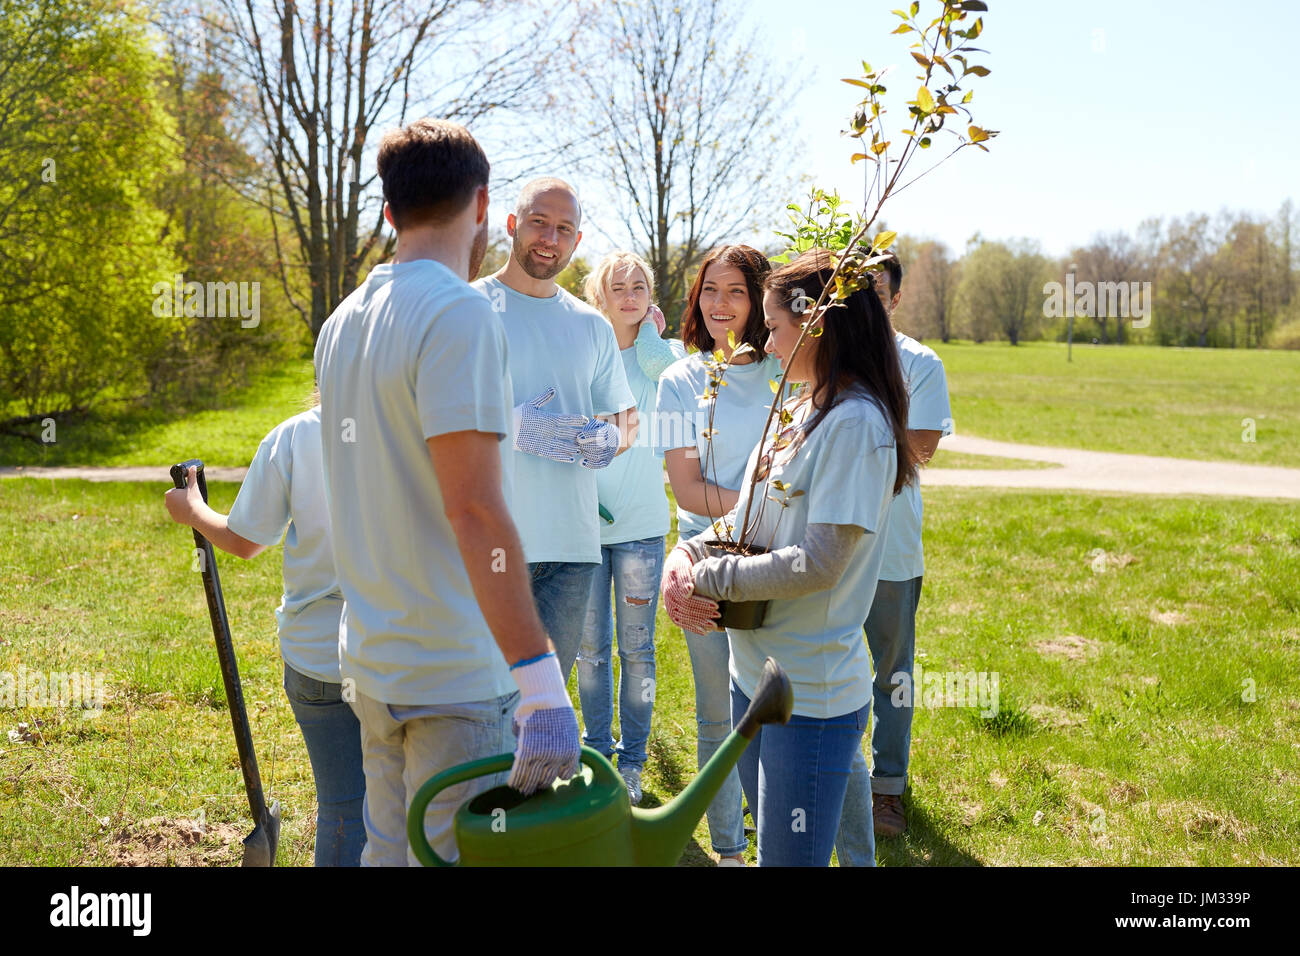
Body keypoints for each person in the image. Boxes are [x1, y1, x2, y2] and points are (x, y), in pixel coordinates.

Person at [313, 119, 580, 866]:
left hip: (373, 660)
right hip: (453, 675)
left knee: (387, 855)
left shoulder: (341, 323)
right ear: (486, 207)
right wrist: (541, 680)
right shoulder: (460, 312)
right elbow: (474, 508)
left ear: (390, 212)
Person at [660, 248, 917, 867]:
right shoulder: (802, 408)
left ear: (816, 324)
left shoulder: (856, 426)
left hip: (809, 694)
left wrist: (707, 577)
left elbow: (819, 563)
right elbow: (748, 516)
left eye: (774, 327)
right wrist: (685, 552)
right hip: (755, 679)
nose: (766, 342)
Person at [163, 390, 364, 866]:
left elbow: (245, 540)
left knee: (344, 806)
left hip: (319, 658)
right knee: (411, 799)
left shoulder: (296, 435)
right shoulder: (424, 423)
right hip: (407, 651)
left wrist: (192, 510)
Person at [473, 178, 638, 682]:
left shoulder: (590, 325)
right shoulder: (468, 309)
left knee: (544, 710)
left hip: (571, 551)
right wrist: (503, 422)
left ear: (577, 241)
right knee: (482, 707)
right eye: (538, 222)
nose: (550, 238)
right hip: (487, 546)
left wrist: (610, 440)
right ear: (511, 225)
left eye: (564, 228)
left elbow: (625, 418)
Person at [654, 244, 782, 864]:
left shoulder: (789, 371)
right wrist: (764, 505)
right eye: (710, 290)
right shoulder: (676, 381)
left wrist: (769, 520)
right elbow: (686, 489)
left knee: (782, 706)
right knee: (717, 716)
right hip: (701, 562)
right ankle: (731, 849)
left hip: (777, 562)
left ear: (760, 298)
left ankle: (779, 839)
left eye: (735, 291)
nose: (720, 305)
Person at [835, 250, 952, 862]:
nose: (867, 301)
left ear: (896, 299)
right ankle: (831, 778)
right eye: (856, 290)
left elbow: (921, 447)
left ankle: (887, 788)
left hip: (891, 550)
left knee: (892, 675)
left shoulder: (920, 363)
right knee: (825, 663)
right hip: (826, 544)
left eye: (878, 291)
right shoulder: (824, 354)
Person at [575, 251, 685, 805]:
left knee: (637, 651)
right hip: (582, 528)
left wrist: (651, 341)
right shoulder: (583, 351)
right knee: (591, 651)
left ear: (651, 295)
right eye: (617, 286)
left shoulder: (661, 355)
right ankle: (595, 754)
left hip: (641, 528)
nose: (628, 294)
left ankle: (634, 760)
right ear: (599, 296)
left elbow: (679, 386)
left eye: (639, 285)